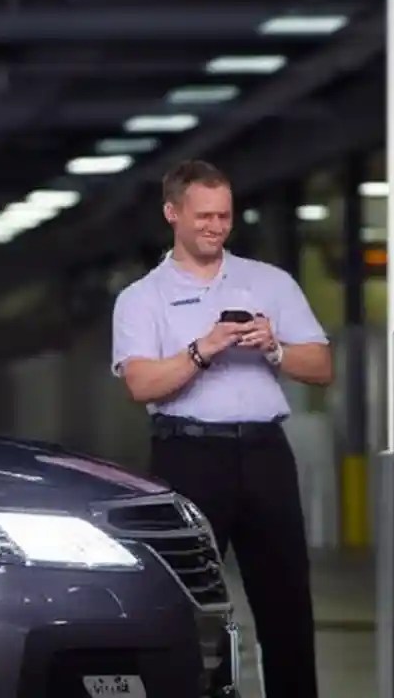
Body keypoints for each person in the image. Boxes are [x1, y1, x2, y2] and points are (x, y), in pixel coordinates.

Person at [110, 159, 332, 697]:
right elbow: (141, 383)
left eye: (224, 216)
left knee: (287, 603)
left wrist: (274, 348)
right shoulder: (142, 298)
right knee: (186, 604)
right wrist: (202, 349)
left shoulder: (269, 282)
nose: (216, 226)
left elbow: (321, 366)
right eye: (204, 216)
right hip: (188, 459)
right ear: (173, 213)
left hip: (264, 454)